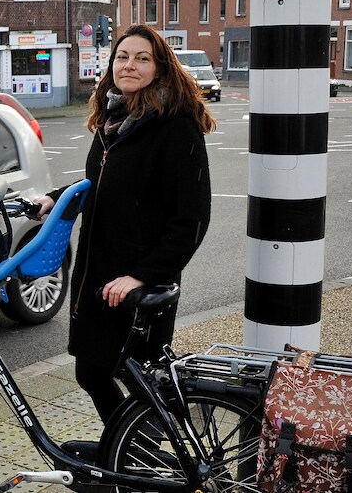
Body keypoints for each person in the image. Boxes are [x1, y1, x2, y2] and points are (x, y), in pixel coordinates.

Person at [32, 24, 215, 425]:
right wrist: (55, 197)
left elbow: (193, 218)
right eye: (123, 56)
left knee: (136, 380)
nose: (129, 65)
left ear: (160, 68)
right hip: (99, 276)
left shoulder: (174, 126)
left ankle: (162, 459)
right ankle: (133, 454)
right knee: (93, 372)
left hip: (135, 285)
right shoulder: (113, 122)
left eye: (142, 58)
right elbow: (101, 183)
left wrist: (142, 276)